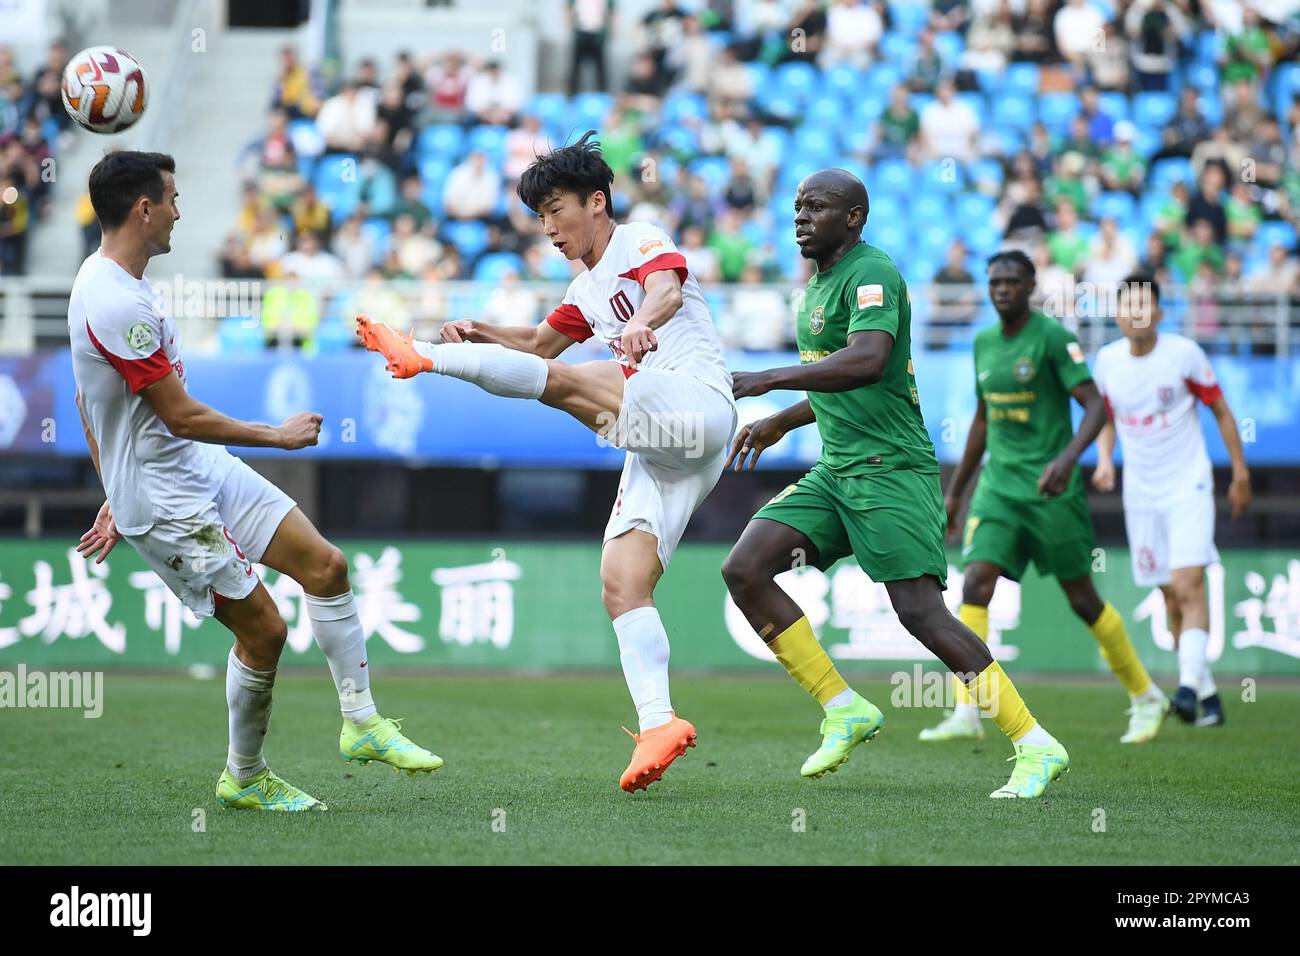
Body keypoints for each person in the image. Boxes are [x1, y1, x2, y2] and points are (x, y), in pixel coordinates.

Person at [356, 132, 737, 793]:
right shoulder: (585, 287)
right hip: (665, 439)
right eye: (539, 218)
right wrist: (484, 332)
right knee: (621, 581)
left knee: (567, 380)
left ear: (596, 201)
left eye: (556, 209)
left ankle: (420, 356)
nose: (549, 228)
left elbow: (667, 290)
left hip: (697, 403)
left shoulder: (638, 239)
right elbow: (537, 342)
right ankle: (659, 725)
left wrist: (644, 321)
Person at [70, 152, 442, 812]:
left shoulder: (124, 284)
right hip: (166, 500)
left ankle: (362, 725)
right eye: (173, 198)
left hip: (188, 470)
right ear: (143, 208)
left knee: (326, 567)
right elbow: (179, 414)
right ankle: (245, 776)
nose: (181, 210)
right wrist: (276, 435)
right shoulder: (113, 299)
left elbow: (91, 403)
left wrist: (110, 479)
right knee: (265, 632)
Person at [720, 169, 1069, 799]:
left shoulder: (872, 273)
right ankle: (843, 707)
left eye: (816, 207)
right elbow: (844, 379)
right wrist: (781, 421)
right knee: (745, 568)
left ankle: (1034, 742)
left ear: (853, 217)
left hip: (890, 469)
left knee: (920, 613)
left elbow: (868, 360)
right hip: (838, 467)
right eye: (796, 206)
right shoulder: (820, 284)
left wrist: (769, 382)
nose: (800, 216)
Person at [923, 250, 1170, 745]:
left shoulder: (1054, 339)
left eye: (1012, 281)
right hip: (999, 488)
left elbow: (1097, 407)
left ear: (1031, 285)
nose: (1003, 289)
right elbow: (982, 418)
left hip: (1051, 490)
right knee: (975, 584)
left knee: (1082, 599)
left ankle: (1145, 695)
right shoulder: (984, 343)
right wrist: (956, 493)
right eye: (995, 282)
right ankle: (968, 710)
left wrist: (1066, 460)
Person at [1092, 275, 1250, 727]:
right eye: (1128, 305)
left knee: (1188, 585)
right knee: (1169, 596)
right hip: (1140, 492)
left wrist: (1239, 472)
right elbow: (1106, 418)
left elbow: (1220, 409)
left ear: (1160, 313)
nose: (1136, 313)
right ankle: (1209, 696)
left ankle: (1182, 692)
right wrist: (1105, 458)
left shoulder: (1184, 355)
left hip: (1188, 484)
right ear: (1118, 314)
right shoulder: (1107, 362)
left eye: (1145, 305)